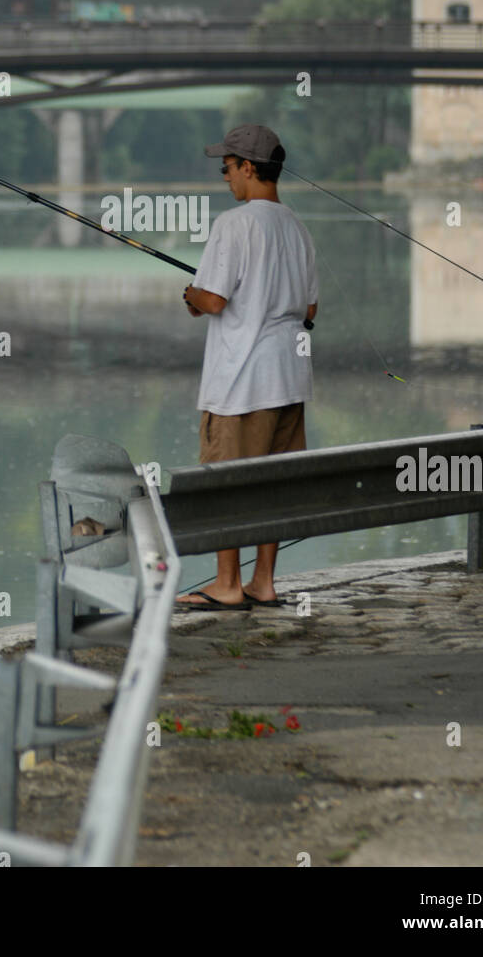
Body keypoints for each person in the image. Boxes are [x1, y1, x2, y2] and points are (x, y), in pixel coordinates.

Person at [175, 124, 318, 610]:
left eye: (228, 168)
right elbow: (310, 311)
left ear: (249, 167)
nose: (225, 178)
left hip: (241, 383)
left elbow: (212, 299)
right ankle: (264, 582)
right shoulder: (297, 226)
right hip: (290, 380)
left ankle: (228, 585)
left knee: (227, 483)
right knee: (272, 483)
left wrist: (189, 295)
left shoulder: (233, 225)